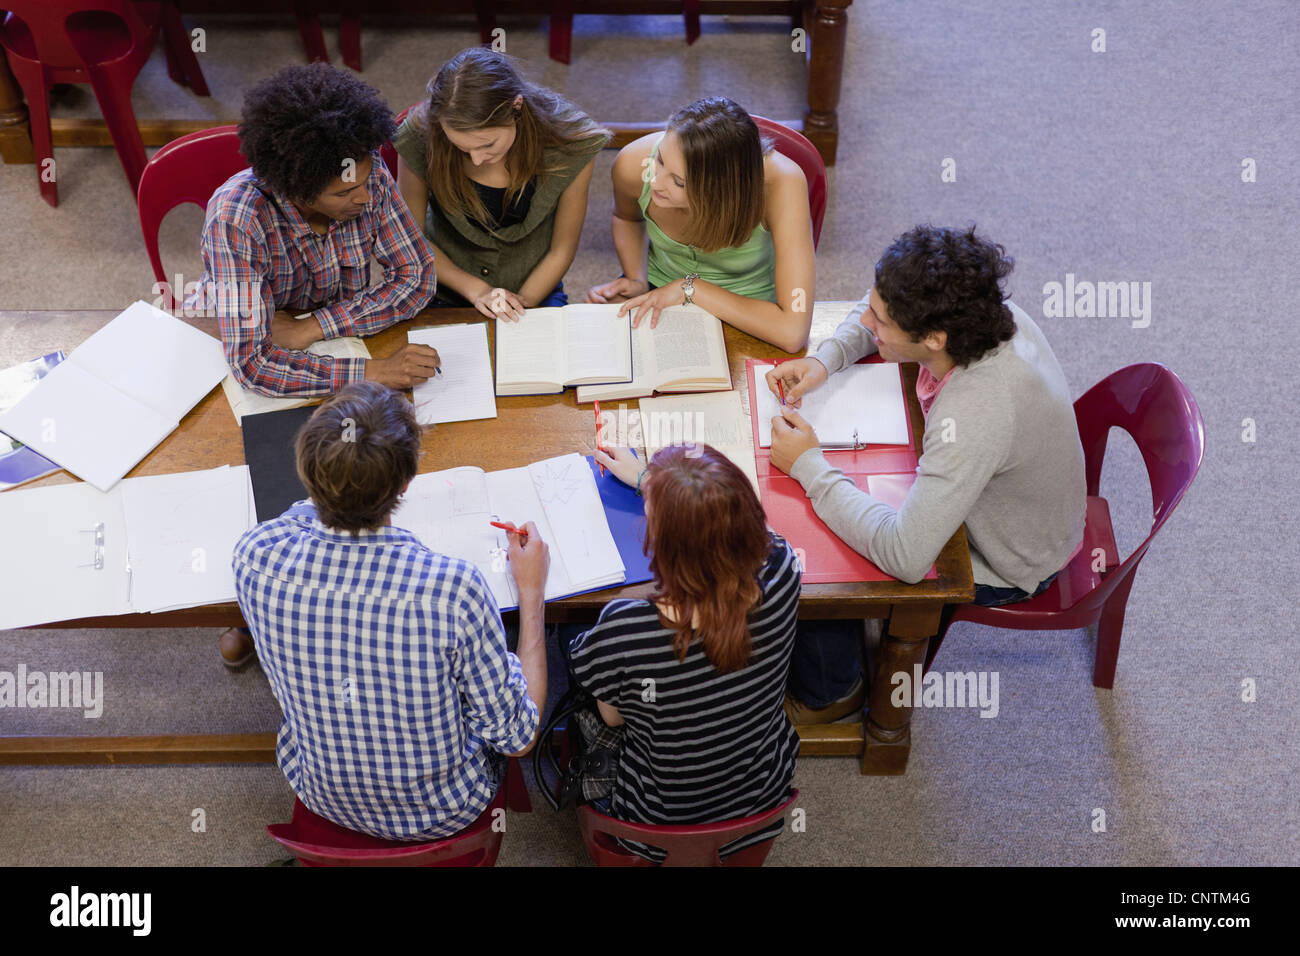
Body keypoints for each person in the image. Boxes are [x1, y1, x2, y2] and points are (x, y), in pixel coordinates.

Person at [767, 224, 1087, 718]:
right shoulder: (983, 315)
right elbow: (866, 308)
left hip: (1004, 556)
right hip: (986, 495)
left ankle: (832, 690)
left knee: (814, 552)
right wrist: (826, 359)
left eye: (882, 322)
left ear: (933, 338)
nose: (868, 321)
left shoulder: (979, 409)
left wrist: (809, 465)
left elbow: (906, 555)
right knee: (837, 507)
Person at [231, 382, 549, 840]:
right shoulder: (454, 591)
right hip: (447, 811)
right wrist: (531, 593)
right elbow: (519, 738)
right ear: (405, 484)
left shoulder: (254, 555)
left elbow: (300, 515)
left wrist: (336, 481)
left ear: (304, 469)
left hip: (323, 795)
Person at [569, 443, 801, 861]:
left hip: (655, 820)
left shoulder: (627, 626)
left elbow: (612, 716)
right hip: (761, 796)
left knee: (578, 686)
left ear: (665, 545)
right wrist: (654, 484)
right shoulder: (784, 567)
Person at [187, 63, 441, 399]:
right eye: (343, 194)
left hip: (317, 334)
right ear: (298, 191)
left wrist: (311, 327)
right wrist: (375, 371)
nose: (366, 197)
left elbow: (417, 277)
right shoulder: (235, 218)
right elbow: (251, 363)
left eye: (365, 182)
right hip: (214, 346)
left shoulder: (364, 172)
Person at [586, 96, 816, 353]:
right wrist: (636, 277)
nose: (655, 183)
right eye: (661, 160)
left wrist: (690, 288)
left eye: (679, 182)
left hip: (752, 309)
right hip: (659, 288)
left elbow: (792, 331)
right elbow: (626, 218)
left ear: (722, 190)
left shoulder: (783, 184)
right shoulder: (633, 163)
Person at [394, 48, 609, 320]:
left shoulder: (573, 142)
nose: (477, 159)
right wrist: (477, 290)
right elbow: (412, 241)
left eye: (487, 144)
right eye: (460, 147)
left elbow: (561, 250)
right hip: (444, 286)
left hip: (534, 288)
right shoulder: (419, 135)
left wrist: (520, 304)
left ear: (515, 106)